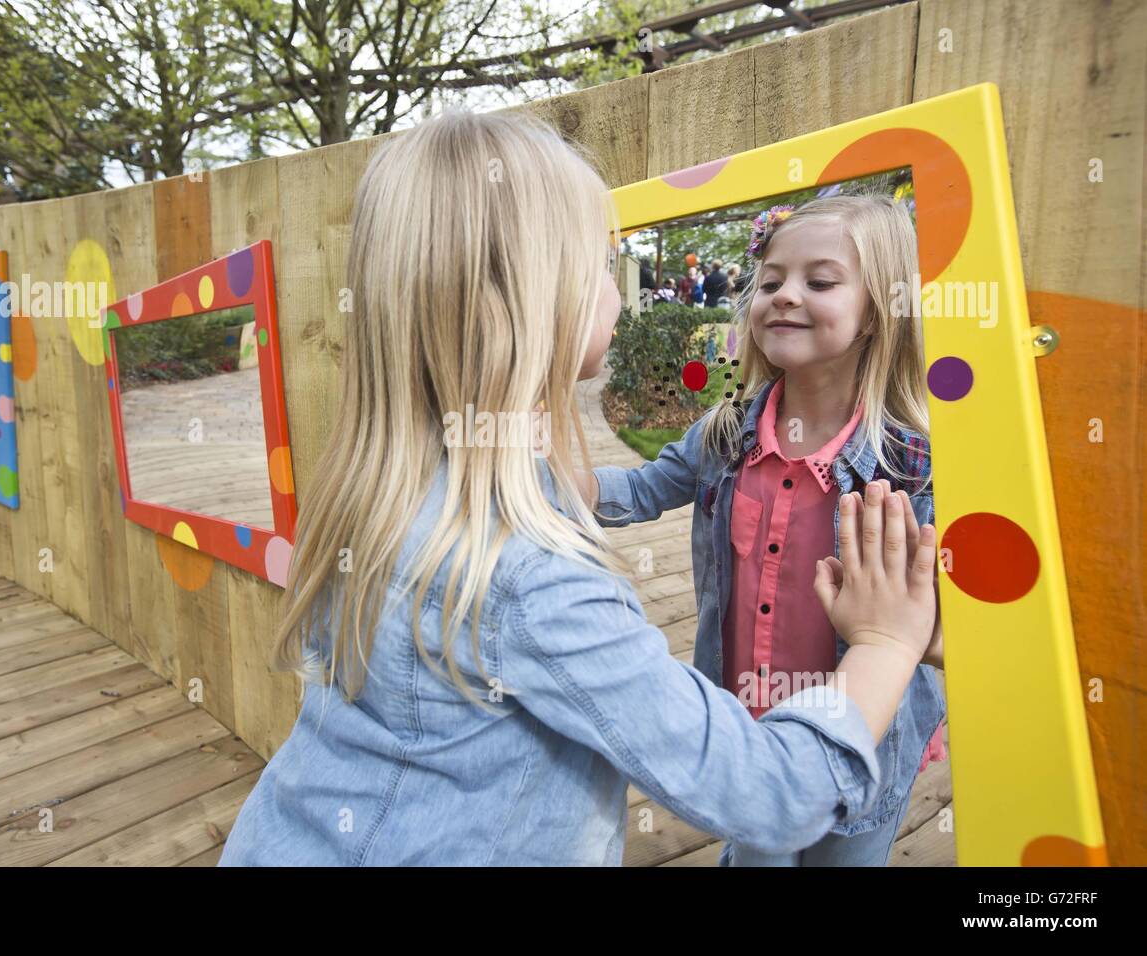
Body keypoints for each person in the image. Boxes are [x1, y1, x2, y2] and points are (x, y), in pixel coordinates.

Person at [217, 110, 939, 866]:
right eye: (599, 261)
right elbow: (772, 795)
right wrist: (889, 641)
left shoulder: (381, 490)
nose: (616, 286)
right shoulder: (535, 573)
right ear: (533, 302)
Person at [577, 194, 947, 866]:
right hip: (750, 729)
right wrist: (558, 482)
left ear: (878, 314)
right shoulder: (724, 434)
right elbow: (641, 488)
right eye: (771, 281)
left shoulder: (916, 467)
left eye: (821, 282)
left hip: (867, 732)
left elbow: (949, 602)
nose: (785, 296)